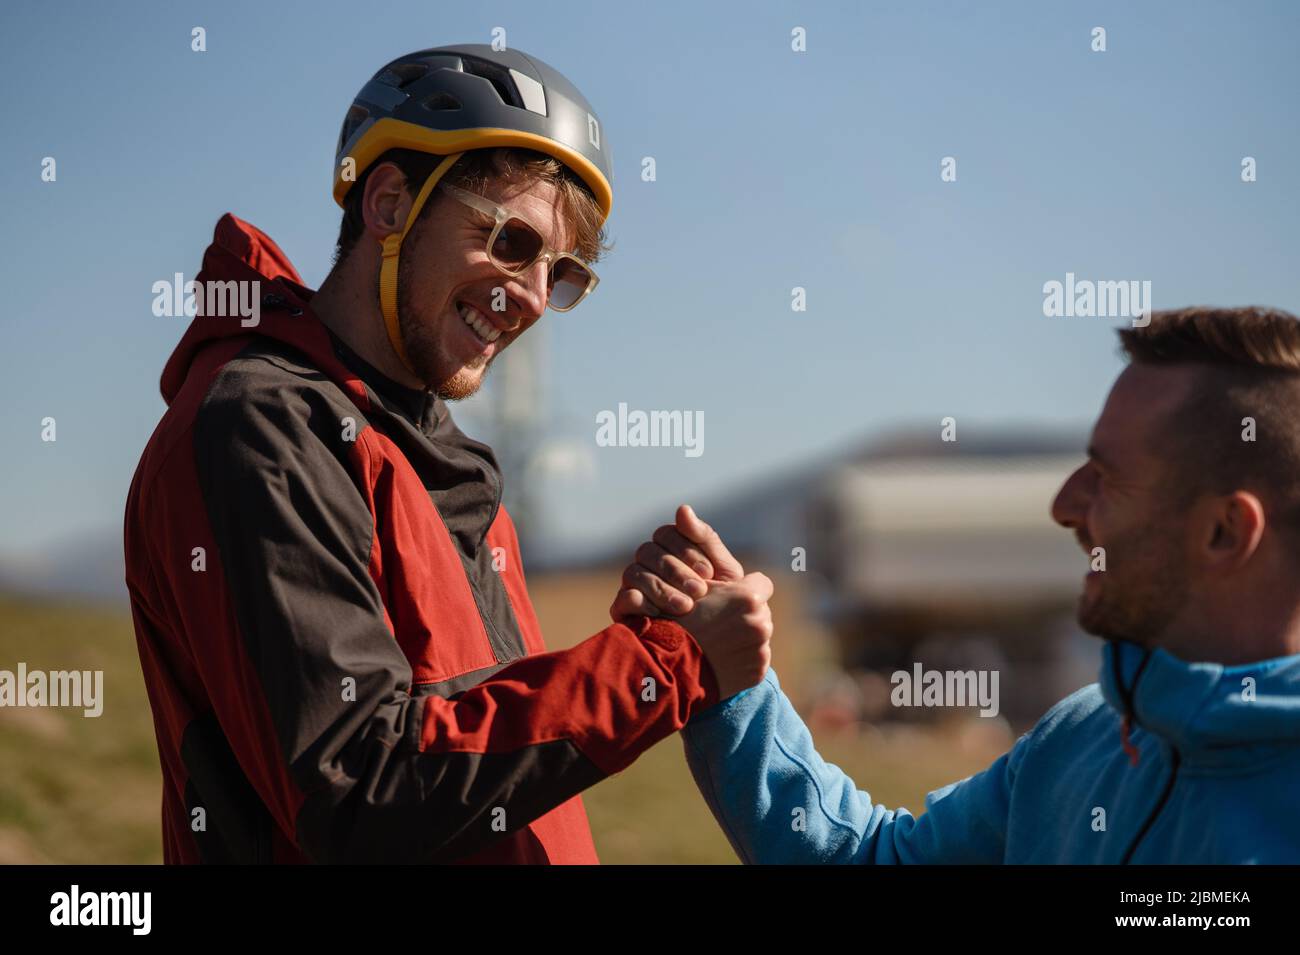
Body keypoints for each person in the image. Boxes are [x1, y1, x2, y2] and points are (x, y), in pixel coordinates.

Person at [123, 44, 773, 864]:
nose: (534, 297)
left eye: (562, 273)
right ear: (390, 203)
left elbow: (473, 754)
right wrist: (660, 667)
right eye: (511, 242)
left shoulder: (446, 473)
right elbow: (360, 788)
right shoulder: (261, 427)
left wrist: (654, 634)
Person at [616, 307, 1300, 863]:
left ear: (1223, 532)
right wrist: (730, 678)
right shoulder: (1078, 739)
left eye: (1108, 477)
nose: (1064, 503)